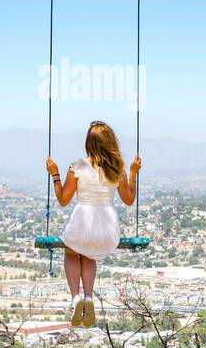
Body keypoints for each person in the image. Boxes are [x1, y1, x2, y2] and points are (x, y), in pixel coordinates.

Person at [45, 120, 141, 327]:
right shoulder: (117, 169)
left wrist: (54, 173)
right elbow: (129, 199)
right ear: (110, 142)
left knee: (72, 252)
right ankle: (89, 297)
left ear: (88, 143)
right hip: (107, 227)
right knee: (90, 254)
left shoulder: (77, 167)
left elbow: (63, 200)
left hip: (83, 220)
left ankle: (75, 298)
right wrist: (133, 173)